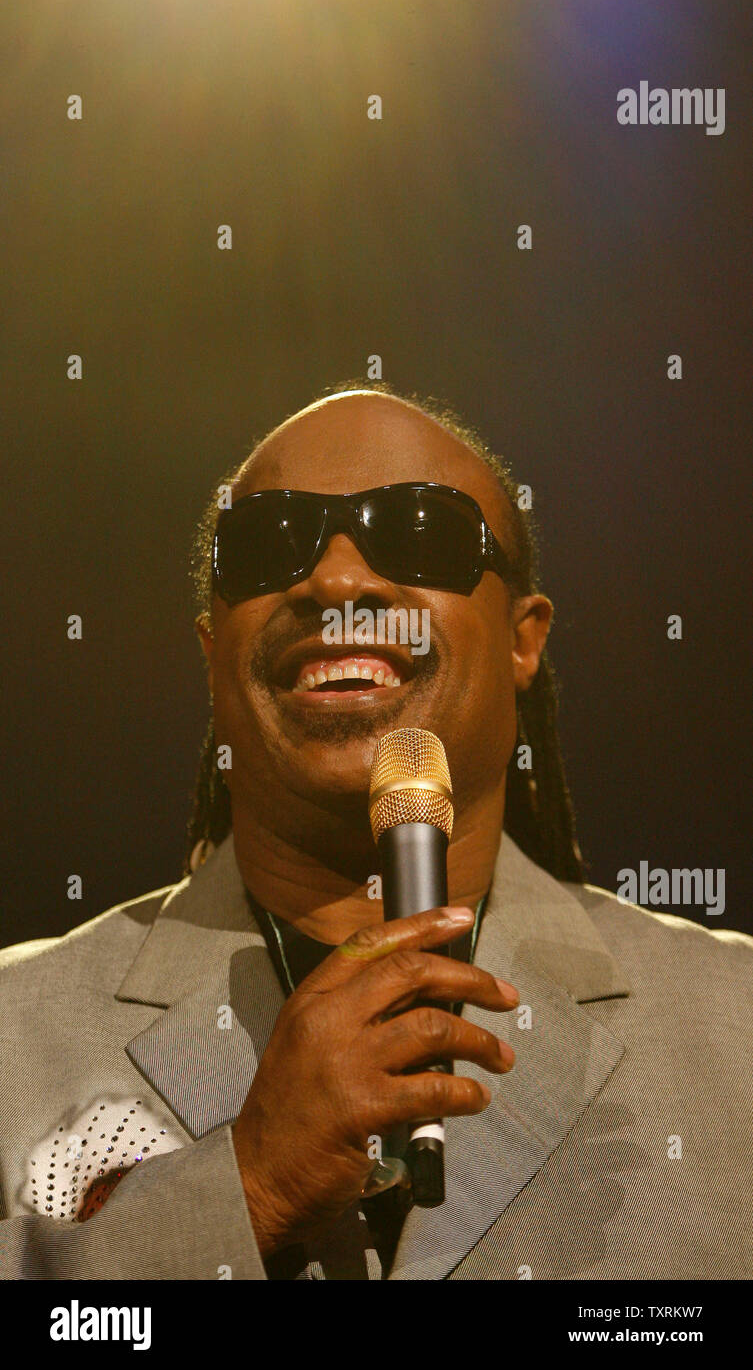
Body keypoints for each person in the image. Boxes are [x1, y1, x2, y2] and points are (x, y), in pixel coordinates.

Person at [1, 386, 750, 1280]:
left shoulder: (734, 1022)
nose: (336, 582)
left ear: (523, 638)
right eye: (269, 544)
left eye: (419, 530)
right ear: (211, 650)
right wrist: (242, 1191)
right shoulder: (14, 1029)